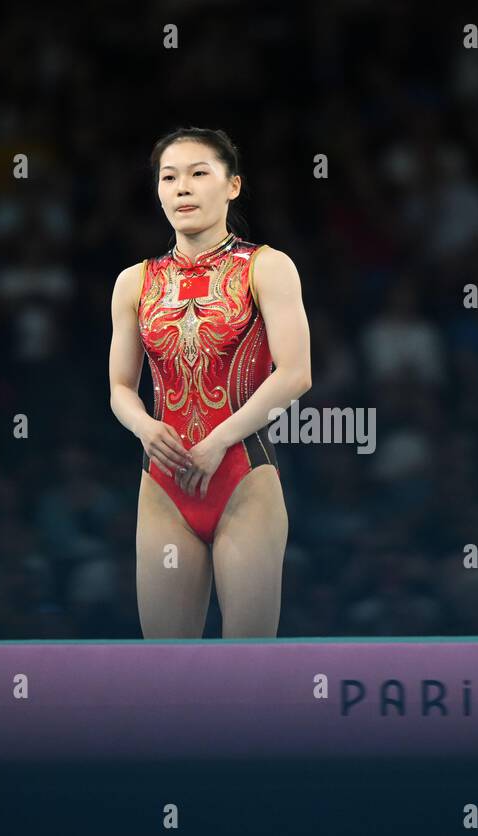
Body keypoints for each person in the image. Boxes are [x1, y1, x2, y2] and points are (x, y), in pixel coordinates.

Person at [109, 128, 312, 638]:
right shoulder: (134, 281)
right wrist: (144, 428)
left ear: (233, 185)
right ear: (157, 191)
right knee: (167, 673)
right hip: (164, 486)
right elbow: (119, 388)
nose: (183, 188)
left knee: (245, 670)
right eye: (170, 177)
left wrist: (219, 440)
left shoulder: (268, 267)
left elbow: (295, 374)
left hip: (242, 479)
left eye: (200, 174)